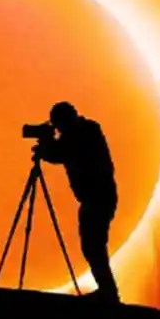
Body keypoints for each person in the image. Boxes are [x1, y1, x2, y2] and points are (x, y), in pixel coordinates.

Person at [32, 101, 120, 303]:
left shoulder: (85, 132)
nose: (57, 128)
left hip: (98, 198)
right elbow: (61, 152)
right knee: (93, 246)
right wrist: (48, 145)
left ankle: (108, 293)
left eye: (57, 123)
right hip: (96, 198)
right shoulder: (83, 132)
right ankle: (107, 291)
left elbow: (61, 152)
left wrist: (45, 145)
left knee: (93, 245)